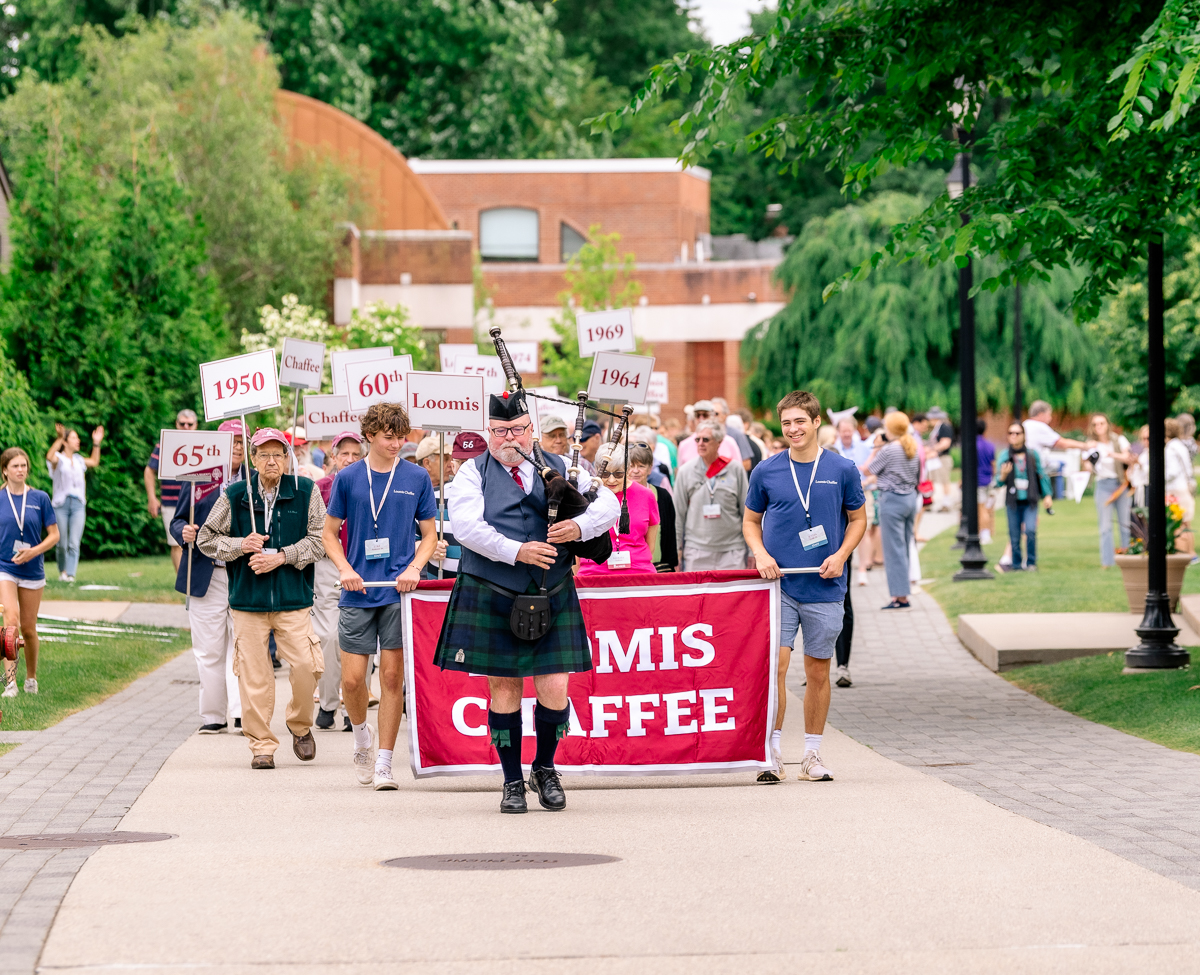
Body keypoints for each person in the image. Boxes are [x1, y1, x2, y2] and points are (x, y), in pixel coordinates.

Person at [435, 389, 619, 813]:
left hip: (551, 590)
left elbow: (609, 501)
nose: (509, 439)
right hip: (491, 589)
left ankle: (546, 768)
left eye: (517, 430)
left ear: (531, 430)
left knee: (555, 686)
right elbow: (465, 526)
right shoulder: (471, 473)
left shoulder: (563, 467)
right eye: (500, 432)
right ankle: (512, 780)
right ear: (488, 433)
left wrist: (581, 527)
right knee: (504, 688)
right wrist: (516, 550)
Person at [744, 390, 866, 784]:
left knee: (817, 671)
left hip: (825, 584)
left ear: (816, 422)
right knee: (775, 666)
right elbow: (750, 522)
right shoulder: (767, 470)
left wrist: (842, 554)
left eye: (800, 421)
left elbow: (859, 519)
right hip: (777, 584)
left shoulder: (843, 468)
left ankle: (812, 754)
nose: (793, 429)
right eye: (786, 423)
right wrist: (761, 554)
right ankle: (772, 752)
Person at [196, 427, 328, 769]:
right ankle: (261, 746)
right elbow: (207, 539)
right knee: (254, 677)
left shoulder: (306, 491)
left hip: (293, 600)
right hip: (248, 603)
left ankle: (300, 725)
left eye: (278, 454)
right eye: (264, 454)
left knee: (304, 667)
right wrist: (241, 544)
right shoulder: (236, 494)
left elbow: (320, 541)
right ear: (253, 459)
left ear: (288, 458)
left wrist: (281, 556)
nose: (272, 461)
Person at [323, 405, 437, 789]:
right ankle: (361, 740)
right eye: (389, 436)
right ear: (370, 435)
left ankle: (385, 762)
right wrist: (344, 568)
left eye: (401, 436)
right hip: (357, 590)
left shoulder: (417, 476)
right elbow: (329, 533)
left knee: (392, 677)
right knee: (353, 682)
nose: (396, 443)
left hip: (397, 591)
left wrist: (415, 568)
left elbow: (430, 536)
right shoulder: (348, 477)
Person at [171, 419, 245, 734]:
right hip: (206, 573)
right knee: (208, 647)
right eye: (232, 441)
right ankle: (213, 716)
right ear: (217, 447)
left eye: (242, 441)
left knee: (243, 645)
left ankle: (243, 713)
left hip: (243, 574)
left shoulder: (256, 481)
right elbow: (176, 522)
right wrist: (183, 532)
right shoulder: (198, 479)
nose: (238, 447)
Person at [313, 431, 364, 731]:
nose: (349, 459)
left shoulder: (370, 484)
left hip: (361, 566)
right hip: (329, 566)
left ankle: (353, 707)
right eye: (344, 453)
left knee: (358, 639)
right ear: (333, 457)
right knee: (330, 637)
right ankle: (329, 703)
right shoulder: (320, 489)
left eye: (356, 454)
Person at [0, 448, 59, 699]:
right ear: (5, 470)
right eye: (15, 466)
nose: (21, 470)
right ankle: (10, 683)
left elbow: (54, 535)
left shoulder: (40, 498)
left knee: (28, 628)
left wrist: (33, 552)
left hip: (33, 569)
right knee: (10, 622)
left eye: (24, 465)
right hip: (5, 567)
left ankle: (31, 677)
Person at [675, 421, 749, 570]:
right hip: (696, 551)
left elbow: (748, 513)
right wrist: (676, 551)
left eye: (706, 439)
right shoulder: (686, 471)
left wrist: (753, 552)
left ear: (719, 442)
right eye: (697, 439)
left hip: (732, 551)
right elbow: (678, 514)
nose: (700, 444)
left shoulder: (735, 469)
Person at [577, 444, 659, 577]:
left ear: (627, 470)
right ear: (597, 469)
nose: (611, 479)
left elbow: (651, 544)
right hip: (593, 573)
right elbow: (578, 543)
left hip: (639, 572)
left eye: (618, 473)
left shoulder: (646, 495)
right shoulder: (585, 496)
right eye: (605, 473)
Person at [867, 412, 921, 609]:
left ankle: (900, 596)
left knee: (893, 551)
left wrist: (875, 448)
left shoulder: (889, 450)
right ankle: (903, 592)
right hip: (909, 499)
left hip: (892, 500)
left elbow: (868, 469)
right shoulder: (912, 447)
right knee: (904, 547)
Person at [45, 423, 104, 583]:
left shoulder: (78, 460)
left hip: (78, 504)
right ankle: (62, 571)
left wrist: (96, 442)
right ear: (65, 442)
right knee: (61, 543)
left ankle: (70, 574)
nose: (77, 440)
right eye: (73, 437)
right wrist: (59, 437)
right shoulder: (59, 459)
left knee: (74, 542)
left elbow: (94, 461)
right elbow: (49, 457)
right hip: (61, 505)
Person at [993, 423, 1052, 572]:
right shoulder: (1005, 455)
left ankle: (1031, 563)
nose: (1014, 436)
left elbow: (1041, 475)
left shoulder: (1032, 455)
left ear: (1024, 435)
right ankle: (1017, 564)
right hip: (1013, 500)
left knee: (1030, 530)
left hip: (1030, 499)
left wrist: (1047, 495)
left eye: (1017, 433)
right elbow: (998, 482)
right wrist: (1004, 475)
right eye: (1011, 433)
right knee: (1014, 535)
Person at [145, 409, 198, 572]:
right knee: (176, 543)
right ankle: (181, 582)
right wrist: (152, 498)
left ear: (196, 426)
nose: (186, 427)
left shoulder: (204, 444)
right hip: (170, 502)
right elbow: (149, 470)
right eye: (182, 423)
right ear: (177, 424)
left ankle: (193, 581)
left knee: (197, 542)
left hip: (197, 502)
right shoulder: (164, 443)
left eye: (190, 424)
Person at [1085, 413, 1133, 568]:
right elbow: (1086, 465)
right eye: (1095, 424)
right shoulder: (1091, 444)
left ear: (1107, 424)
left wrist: (1111, 454)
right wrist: (1087, 464)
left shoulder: (1118, 440)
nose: (1098, 427)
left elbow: (1127, 457)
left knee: (1125, 523)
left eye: (1101, 423)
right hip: (1103, 485)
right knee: (1105, 526)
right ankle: (1107, 562)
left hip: (1120, 484)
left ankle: (1128, 557)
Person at [628, 442, 677, 571]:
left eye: (641, 466)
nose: (636, 470)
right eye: (631, 466)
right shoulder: (617, 497)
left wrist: (671, 565)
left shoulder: (662, 496)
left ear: (650, 469)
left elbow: (670, 533)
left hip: (659, 568)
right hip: (628, 568)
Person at [416, 435, 459, 579]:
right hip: (421, 575)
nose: (450, 464)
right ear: (427, 463)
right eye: (445, 459)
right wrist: (426, 547)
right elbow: (403, 540)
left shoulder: (456, 491)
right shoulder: (411, 493)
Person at [676, 400, 744, 468]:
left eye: (705, 415)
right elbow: (681, 474)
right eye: (698, 415)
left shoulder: (729, 442)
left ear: (713, 416)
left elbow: (738, 471)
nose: (701, 419)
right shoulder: (684, 445)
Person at [1165, 417, 1196, 553]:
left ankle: (1184, 553)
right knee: (1186, 524)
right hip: (1183, 487)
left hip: (1175, 489)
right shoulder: (1180, 445)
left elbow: (1172, 472)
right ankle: (1192, 553)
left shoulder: (1170, 448)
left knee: (1178, 524)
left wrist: (1156, 477)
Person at [923, 408, 954, 511]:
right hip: (935, 458)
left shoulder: (944, 427)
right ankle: (928, 501)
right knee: (931, 479)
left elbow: (945, 443)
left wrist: (930, 449)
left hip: (943, 458)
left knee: (944, 480)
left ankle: (946, 503)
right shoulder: (937, 428)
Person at [976, 419, 997, 545]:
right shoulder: (989, 445)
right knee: (988, 508)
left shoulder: (972, 445)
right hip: (988, 479)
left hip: (978, 481)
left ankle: (985, 534)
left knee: (981, 508)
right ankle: (987, 531)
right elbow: (993, 464)